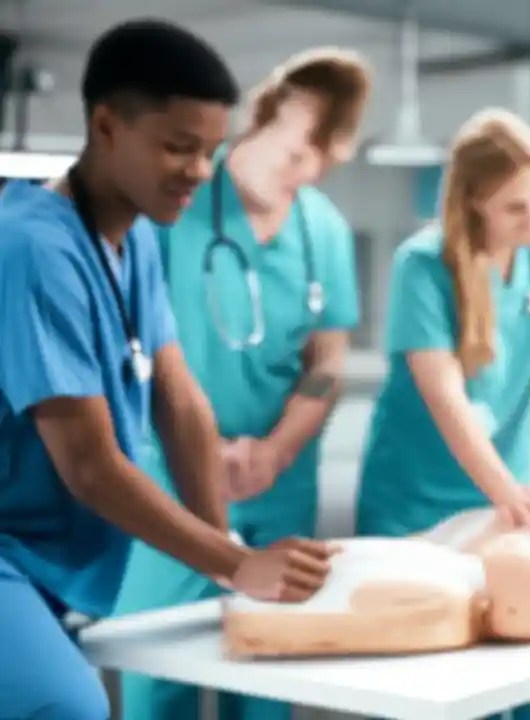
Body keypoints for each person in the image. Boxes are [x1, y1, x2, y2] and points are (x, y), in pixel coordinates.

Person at [0, 20, 335, 719]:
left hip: (51, 559)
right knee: (71, 707)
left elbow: (180, 405)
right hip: (9, 548)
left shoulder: (138, 237)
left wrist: (226, 562)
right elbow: (89, 464)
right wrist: (234, 564)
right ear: (105, 126)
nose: (200, 172)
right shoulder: (33, 248)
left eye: (212, 151)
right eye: (179, 148)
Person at [112, 47, 372, 720]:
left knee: (268, 671)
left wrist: (276, 451)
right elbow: (129, 345)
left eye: (322, 163)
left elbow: (327, 362)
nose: (306, 174)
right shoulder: (171, 210)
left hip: (278, 485)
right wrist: (203, 451)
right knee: (156, 667)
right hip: (167, 478)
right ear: (256, 120)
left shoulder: (325, 229)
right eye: (293, 154)